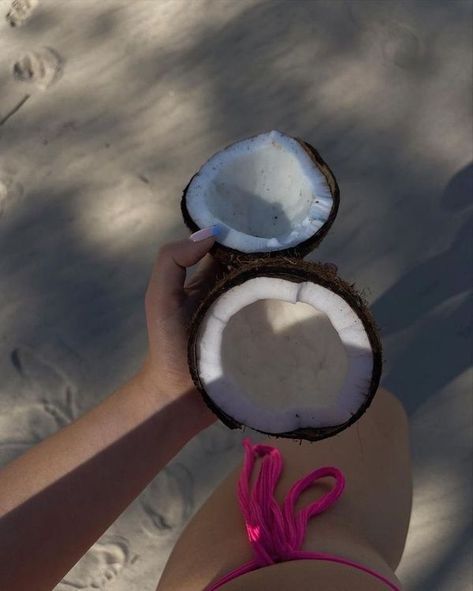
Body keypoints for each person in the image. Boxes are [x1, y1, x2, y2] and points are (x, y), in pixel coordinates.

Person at [0, 228, 412, 591]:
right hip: (334, 558)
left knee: (373, 417)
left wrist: (167, 393)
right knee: (378, 416)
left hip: (224, 569)